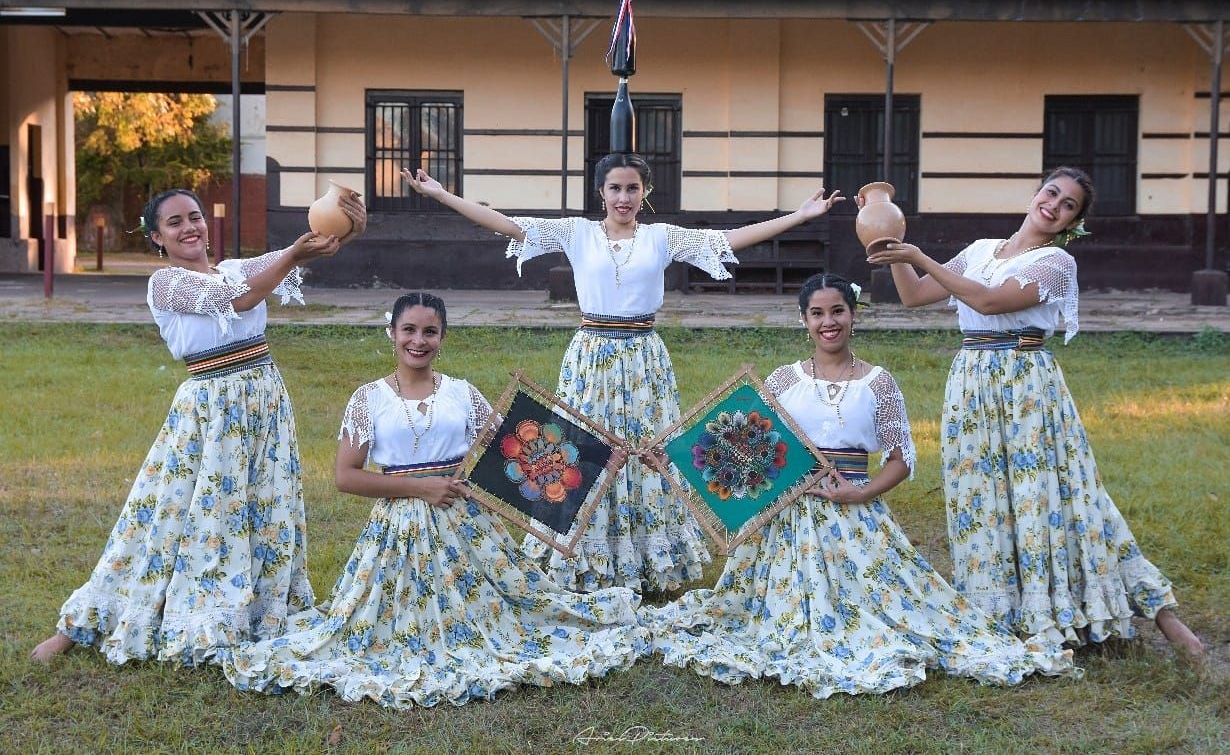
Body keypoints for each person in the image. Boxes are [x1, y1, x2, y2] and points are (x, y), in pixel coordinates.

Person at [401, 156, 844, 593]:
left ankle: (648, 558)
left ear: (645, 192)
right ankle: (580, 553)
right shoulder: (576, 232)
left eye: (633, 188)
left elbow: (726, 240)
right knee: (582, 448)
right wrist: (442, 195)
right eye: (615, 188)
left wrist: (799, 216)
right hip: (590, 356)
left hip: (644, 360)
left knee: (646, 451)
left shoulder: (661, 238)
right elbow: (509, 224)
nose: (624, 197)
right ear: (601, 192)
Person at [640, 273, 1074, 696]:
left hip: (854, 508)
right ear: (803, 321)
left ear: (853, 315)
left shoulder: (878, 382)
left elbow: (901, 460)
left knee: (888, 603)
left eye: (837, 311)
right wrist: (672, 460)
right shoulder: (783, 380)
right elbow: (739, 447)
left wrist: (861, 492)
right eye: (816, 313)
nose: (828, 322)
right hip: (787, 512)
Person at [221, 294, 650, 708]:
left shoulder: (462, 393)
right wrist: (419, 487)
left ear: (443, 337)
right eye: (408, 329)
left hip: (462, 521)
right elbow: (345, 476)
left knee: (506, 607)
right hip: (397, 528)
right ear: (391, 332)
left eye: (430, 331)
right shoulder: (368, 398)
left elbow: (520, 443)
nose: (418, 341)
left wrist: (592, 456)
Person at [866, 167, 1203, 654]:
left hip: (1026, 387)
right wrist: (893, 247)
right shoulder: (980, 250)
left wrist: (918, 253)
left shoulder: (1055, 262)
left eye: (1068, 205)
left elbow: (987, 301)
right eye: (1052, 193)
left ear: (1073, 223)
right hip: (972, 382)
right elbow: (915, 295)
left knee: (1064, 497)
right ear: (1036, 194)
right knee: (983, 499)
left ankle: (1162, 617)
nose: (1055, 205)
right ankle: (1002, 610)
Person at [31, 188, 366, 665]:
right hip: (209, 410)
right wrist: (294, 252)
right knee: (163, 514)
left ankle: (254, 609)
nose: (189, 227)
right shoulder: (165, 283)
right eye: (175, 222)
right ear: (157, 238)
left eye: (195, 217)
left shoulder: (231, 267)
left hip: (263, 400)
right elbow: (245, 295)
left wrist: (346, 227)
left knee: (262, 506)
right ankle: (89, 620)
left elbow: (288, 256)